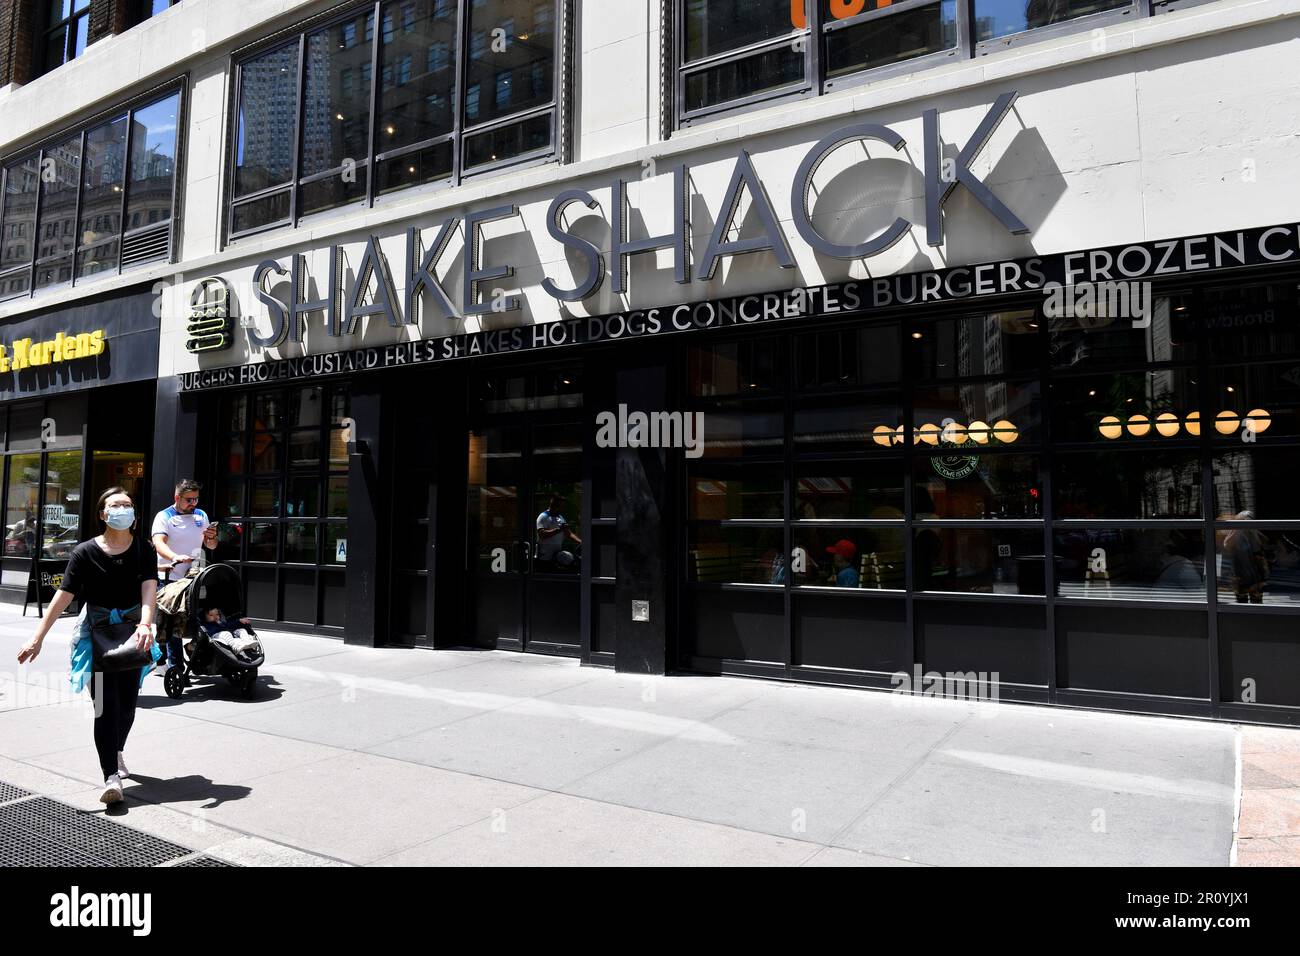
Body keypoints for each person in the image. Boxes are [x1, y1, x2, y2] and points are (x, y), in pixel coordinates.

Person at [16, 488, 158, 805]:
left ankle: (117, 749)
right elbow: (63, 595)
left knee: (127, 707)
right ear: (102, 514)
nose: (124, 509)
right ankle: (111, 777)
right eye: (116, 505)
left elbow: (149, 587)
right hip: (95, 639)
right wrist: (37, 637)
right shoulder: (85, 552)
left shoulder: (143, 550)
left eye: (128, 505)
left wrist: (147, 623)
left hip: (135, 634)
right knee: (105, 708)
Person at [152, 479, 217, 670]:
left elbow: (211, 545)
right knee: (172, 623)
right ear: (177, 498)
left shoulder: (200, 515)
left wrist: (212, 537)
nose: (193, 504)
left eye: (196, 499)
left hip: (194, 578)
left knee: (198, 619)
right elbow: (158, 543)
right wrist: (175, 556)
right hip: (169, 577)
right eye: (189, 500)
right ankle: (175, 667)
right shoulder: (164, 516)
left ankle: (180, 653)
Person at [536, 495, 581, 568]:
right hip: (544, 558)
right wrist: (559, 529)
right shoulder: (543, 516)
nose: (561, 507)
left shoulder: (560, 517)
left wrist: (580, 542)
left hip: (557, 557)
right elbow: (542, 535)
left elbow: (568, 533)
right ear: (552, 504)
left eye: (562, 505)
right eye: (559, 505)